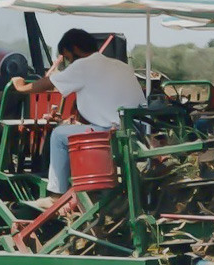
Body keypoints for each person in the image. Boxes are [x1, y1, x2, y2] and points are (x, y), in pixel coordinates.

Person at [11, 28, 145, 203]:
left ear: (74, 48)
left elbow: (46, 83)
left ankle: (55, 195)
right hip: (137, 131)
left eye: (67, 57)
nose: (68, 62)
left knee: (59, 135)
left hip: (110, 136)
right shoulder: (122, 65)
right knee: (70, 129)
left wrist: (20, 87)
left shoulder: (83, 65)